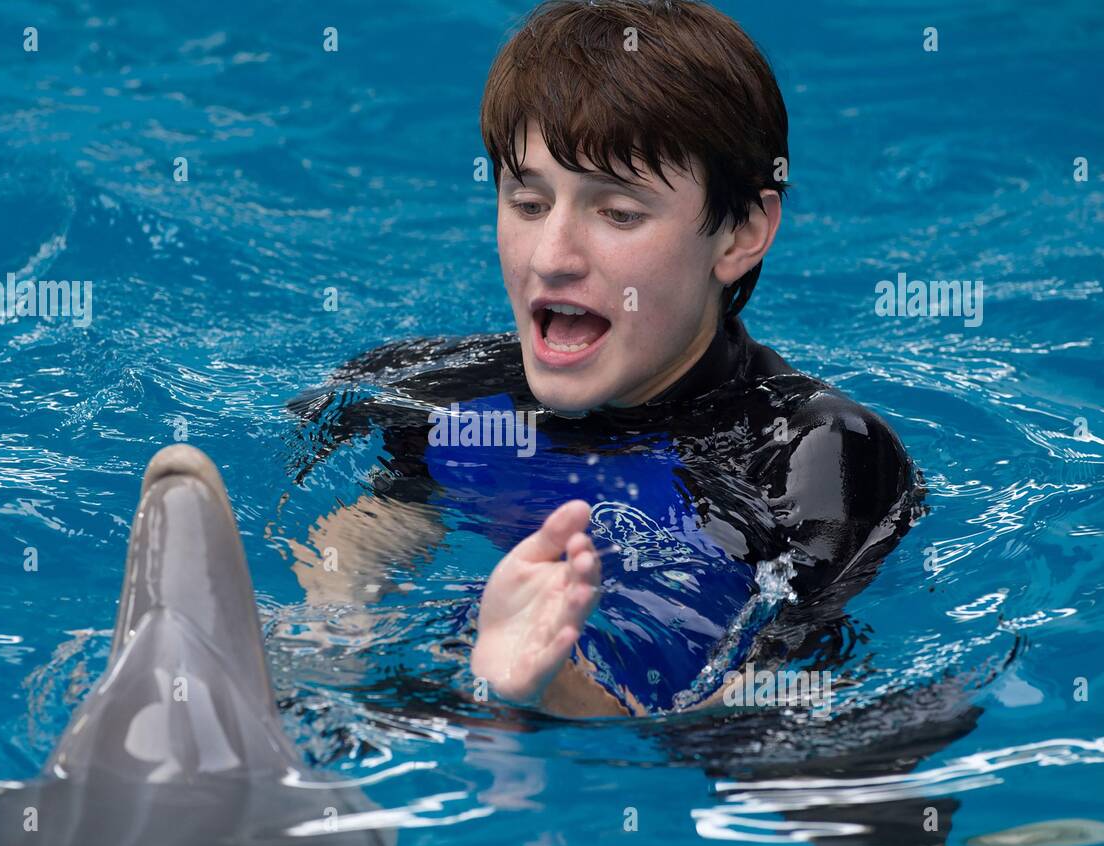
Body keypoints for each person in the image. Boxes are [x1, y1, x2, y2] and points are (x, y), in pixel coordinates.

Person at [288, 0, 923, 717]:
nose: (551, 257)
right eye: (527, 202)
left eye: (617, 213)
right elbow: (380, 527)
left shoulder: (816, 456)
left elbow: (764, 704)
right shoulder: (436, 397)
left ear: (741, 233)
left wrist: (541, 686)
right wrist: (330, 641)